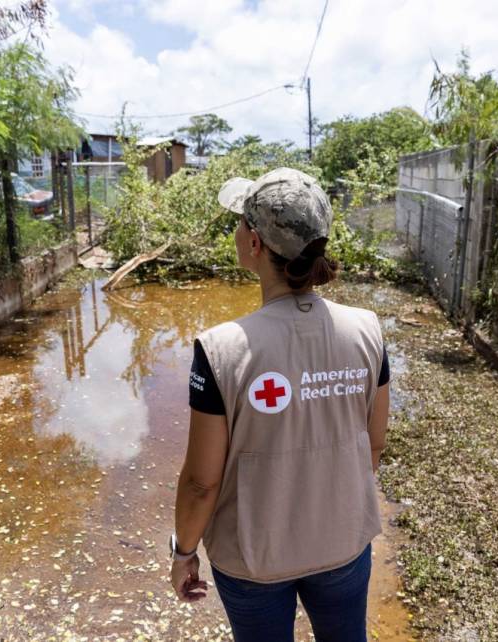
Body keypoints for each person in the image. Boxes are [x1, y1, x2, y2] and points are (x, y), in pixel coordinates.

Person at [168, 167, 390, 642]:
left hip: (253, 560)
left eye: (239, 223)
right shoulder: (368, 331)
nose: (235, 232)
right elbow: (373, 446)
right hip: (345, 543)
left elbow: (202, 483)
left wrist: (183, 550)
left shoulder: (221, 349)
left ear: (253, 243)